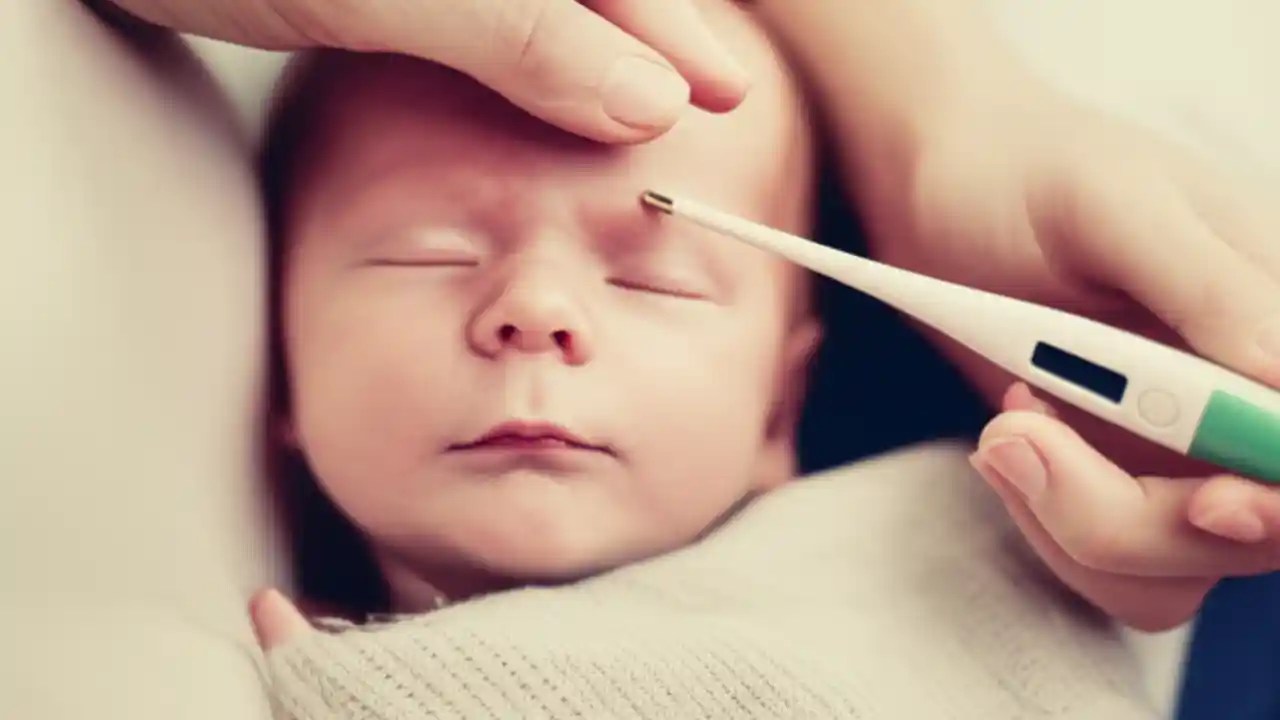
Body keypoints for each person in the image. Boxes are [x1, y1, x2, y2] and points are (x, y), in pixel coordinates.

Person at [96, 0, 1280, 715]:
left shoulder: (950, 556)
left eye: (651, 279)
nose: (533, 312)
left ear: (780, 407)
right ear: (274, 367)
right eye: (426, 254)